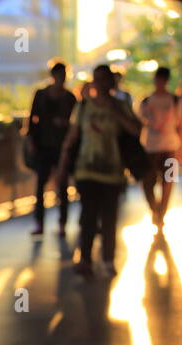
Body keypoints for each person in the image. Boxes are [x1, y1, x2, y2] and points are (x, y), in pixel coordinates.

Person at [56, 63, 143, 278]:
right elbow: (73, 135)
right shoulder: (84, 107)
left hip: (113, 170)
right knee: (88, 215)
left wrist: (116, 112)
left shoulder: (120, 106)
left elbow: (135, 129)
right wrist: (63, 163)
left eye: (105, 79)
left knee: (109, 217)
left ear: (112, 82)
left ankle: (107, 259)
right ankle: (85, 258)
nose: (101, 84)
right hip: (86, 169)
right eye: (97, 79)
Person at [23, 58, 77, 236]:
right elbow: (31, 119)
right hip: (43, 146)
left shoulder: (70, 98)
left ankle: (62, 223)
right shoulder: (41, 94)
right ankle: (40, 224)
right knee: (41, 186)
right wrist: (31, 141)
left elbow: (75, 123)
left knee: (62, 186)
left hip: (62, 147)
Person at [138, 65, 182, 225]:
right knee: (147, 183)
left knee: (168, 182)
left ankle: (161, 214)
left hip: (170, 148)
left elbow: (180, 123)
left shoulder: (175, 101)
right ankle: (156, 209)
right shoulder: (146, 101)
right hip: (150, 148)